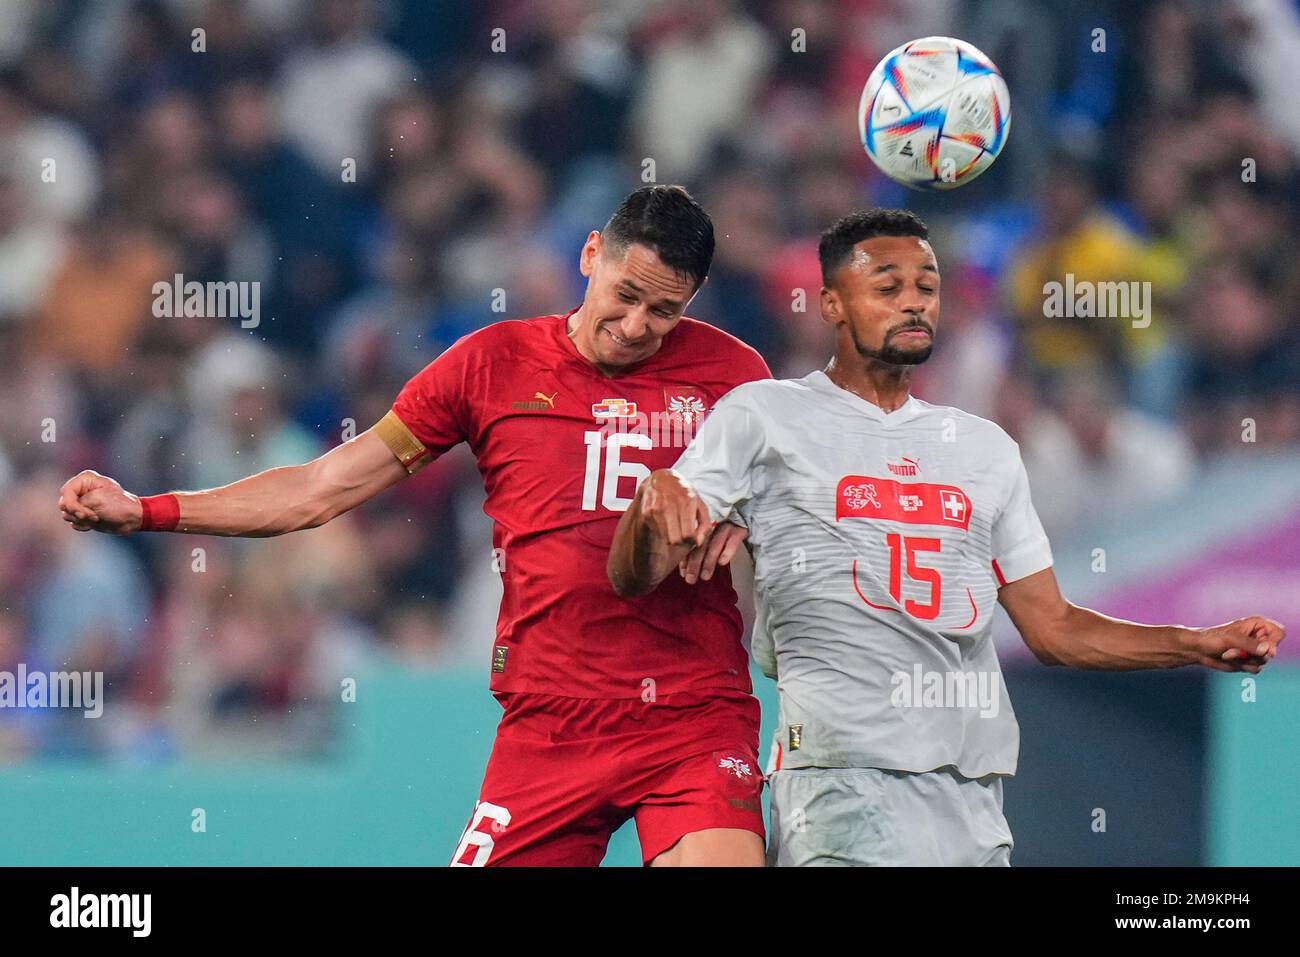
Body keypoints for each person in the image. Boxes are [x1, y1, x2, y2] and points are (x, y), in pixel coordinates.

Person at [58, 185, 772, 867]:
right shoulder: (489, 365)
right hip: (551, 722)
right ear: (591, 254)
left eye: (665, 310)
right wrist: (149, 509)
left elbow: (802, 503)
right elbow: (319, 487)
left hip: (691, 715)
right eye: (627, 295)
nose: (639, 324)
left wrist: (754, 511)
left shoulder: (735, 376)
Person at [607, 208, 1285, 867]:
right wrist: (650, 504)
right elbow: (634, 574)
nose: (914, 304)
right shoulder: (765, 414)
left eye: (927, 288)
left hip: (970, 797)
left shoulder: (983, 448)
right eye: (888, 287)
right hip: (842, 782)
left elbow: (1054, 629)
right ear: (833, 305)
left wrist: (1191, 643)